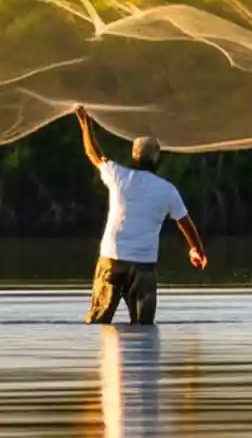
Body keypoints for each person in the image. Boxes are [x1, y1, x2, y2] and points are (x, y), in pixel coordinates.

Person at [74, 105, 207, 325]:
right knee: (144, 326)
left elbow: (93, 153)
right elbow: (186, 224)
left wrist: (84, 122)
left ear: (134, 156)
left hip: (111, 258)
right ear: (157, 159)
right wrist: (197, 250)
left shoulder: (118, 176)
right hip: (143, 266)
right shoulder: (167, 190)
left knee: (98, 321)